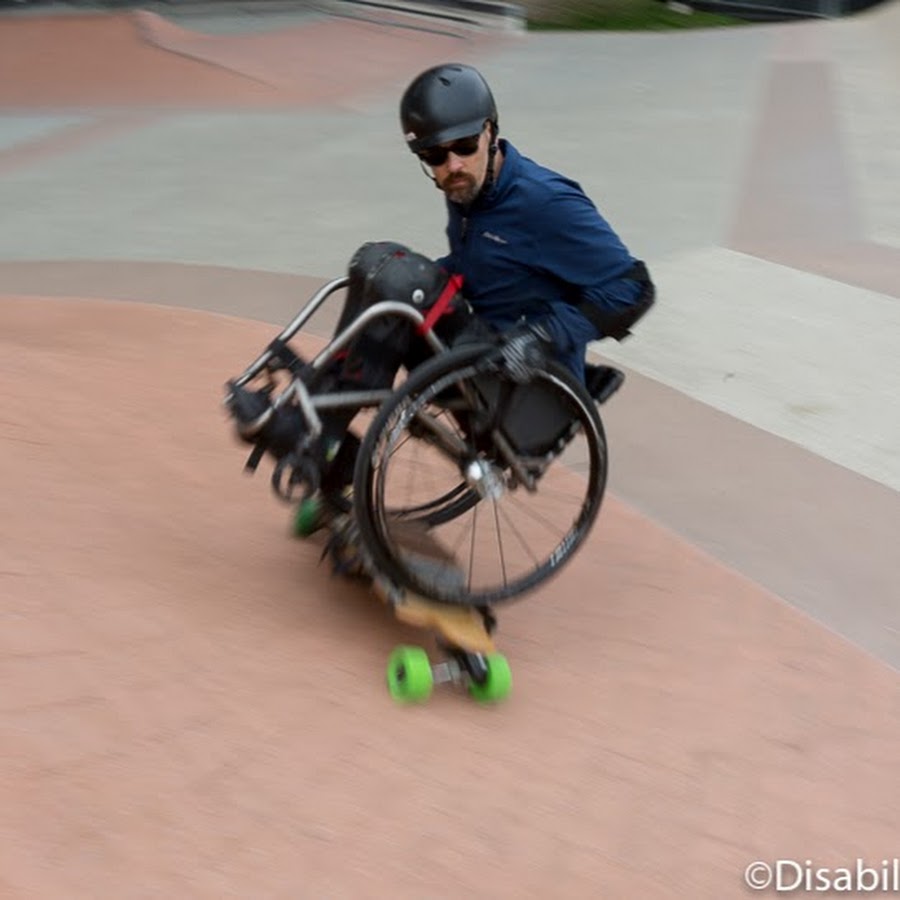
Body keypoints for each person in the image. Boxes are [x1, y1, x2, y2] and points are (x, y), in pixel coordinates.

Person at [228, 63, 654, 497]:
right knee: (378, 262)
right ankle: (321, 418)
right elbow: (488, 266)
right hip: (477, 353)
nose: (452, 166)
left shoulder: (547, 203)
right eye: (434, 155)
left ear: (490, 132)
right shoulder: (470, 190)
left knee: (403, 282)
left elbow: (635, 288)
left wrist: (542, 335)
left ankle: (318, 435)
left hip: (525, 388)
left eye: (465, 146)